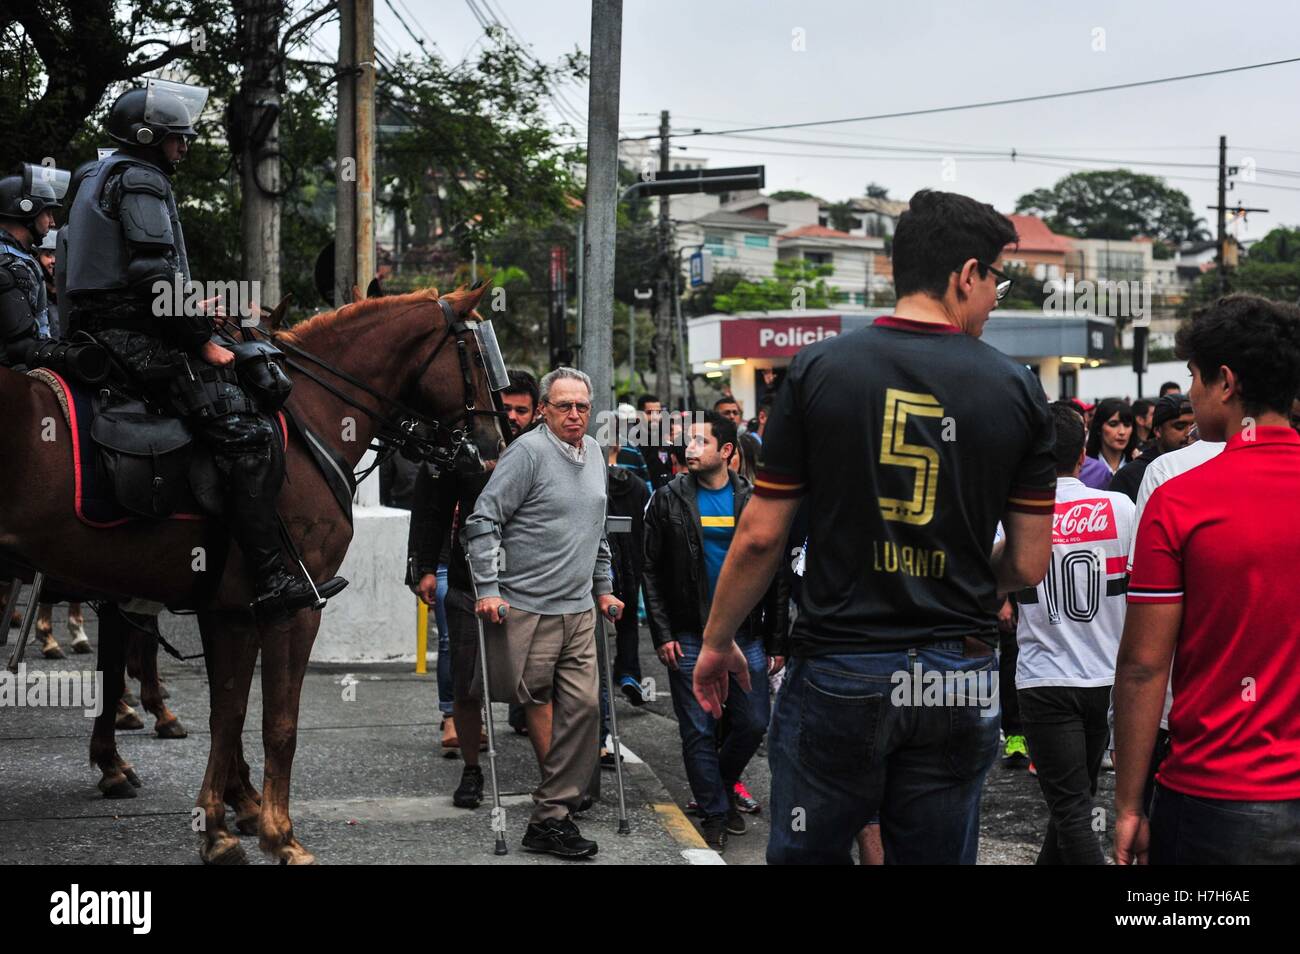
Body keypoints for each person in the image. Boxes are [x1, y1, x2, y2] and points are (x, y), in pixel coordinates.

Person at [694, 189, 1056, 865]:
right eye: (996, 281)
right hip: (958, 671)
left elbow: (761, 536)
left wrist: (717, 642)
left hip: (839, 666)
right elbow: (1031, 565)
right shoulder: (1018, 389)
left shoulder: (818, 370)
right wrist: (969, 570)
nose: (996, 298)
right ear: (965, 274)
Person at [61, 80, 333, 621]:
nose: (183, 146)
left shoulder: (93, 174)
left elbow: (122, 275)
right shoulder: (142, 177)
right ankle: (269, 574)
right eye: (176, 138)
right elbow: (150, 272)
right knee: (246, 433)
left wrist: (191, 303)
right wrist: (201, 341)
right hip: (132, 337)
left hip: (100, 327)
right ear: (148, 137)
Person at [1116, 294, 1300, 865]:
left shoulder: (1178, 501)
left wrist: (1127, 805)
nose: (1189, 397)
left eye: (1193, 378)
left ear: (1226, 382)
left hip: (1214, 795)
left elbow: (1145, 666)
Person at [464, 367, 622, 859]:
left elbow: (596, 530)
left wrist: (604, 587)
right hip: (527, 606)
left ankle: (551, 817)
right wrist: (488, 587)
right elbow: (483, 521)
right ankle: (554, 817)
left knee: (586, 710)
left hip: (578, 611)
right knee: (533, 701)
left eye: (581, 406)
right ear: (544, 410)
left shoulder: (594, 453)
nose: (574, 414)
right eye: (563, 406)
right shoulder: (527, 453)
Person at [642, 411, 785, 852]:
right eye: (687, 441)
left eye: (700, 441)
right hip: (689, 632)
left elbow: (776, 575)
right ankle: (715, 813)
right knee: (698, 729)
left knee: (753, 720)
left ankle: (720, 784)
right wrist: (662, 631)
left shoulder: (753, 499)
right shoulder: (667, 498)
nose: (689, 448)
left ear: (726, 451)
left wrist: (778, 639)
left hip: (747, 633)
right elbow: (650, 569)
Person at [408, 369, 538, 797]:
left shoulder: (549, 451)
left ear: (536, 411)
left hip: (532, 587)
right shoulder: (464, 447)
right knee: (467, 685)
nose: (514, 416)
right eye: (507, 408)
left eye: (523, 409)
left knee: (537, 687)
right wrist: (425, 567)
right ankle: (471, 769)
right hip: (469, 583)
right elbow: (435, 506)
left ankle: (554, 779)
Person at [1015, 403, 1135, 864]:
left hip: (1045, 681)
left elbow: (988, 592)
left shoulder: (1018, 517)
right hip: (1105, 679)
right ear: (1083, 451)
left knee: (1071, 809)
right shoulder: (1121, 507)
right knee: (1073, 804)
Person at [1106, 394, 1194, 502]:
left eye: (1194, 426)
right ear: (1158, 431)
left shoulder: (1203, 465)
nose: (1189, 433)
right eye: (1179, 426)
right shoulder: (1130, 476)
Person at [1079, 398, 1136, 489]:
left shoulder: (1138, 466)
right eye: (1113, 424)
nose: (1122, 432)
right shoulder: (1082, 467)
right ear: (1099, 428)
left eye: (1127, 425)